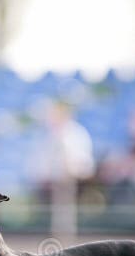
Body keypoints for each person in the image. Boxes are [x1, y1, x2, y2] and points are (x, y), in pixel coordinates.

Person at [32, 101, 94, 241]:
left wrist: (74, 170)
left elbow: (81, 159)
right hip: (56, 179)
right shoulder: (51, 134)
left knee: (65, 208)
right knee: (59, 208)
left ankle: (65, 235)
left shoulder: (75, 133)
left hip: (72, 178)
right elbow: (44, 158)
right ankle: (60, 235)